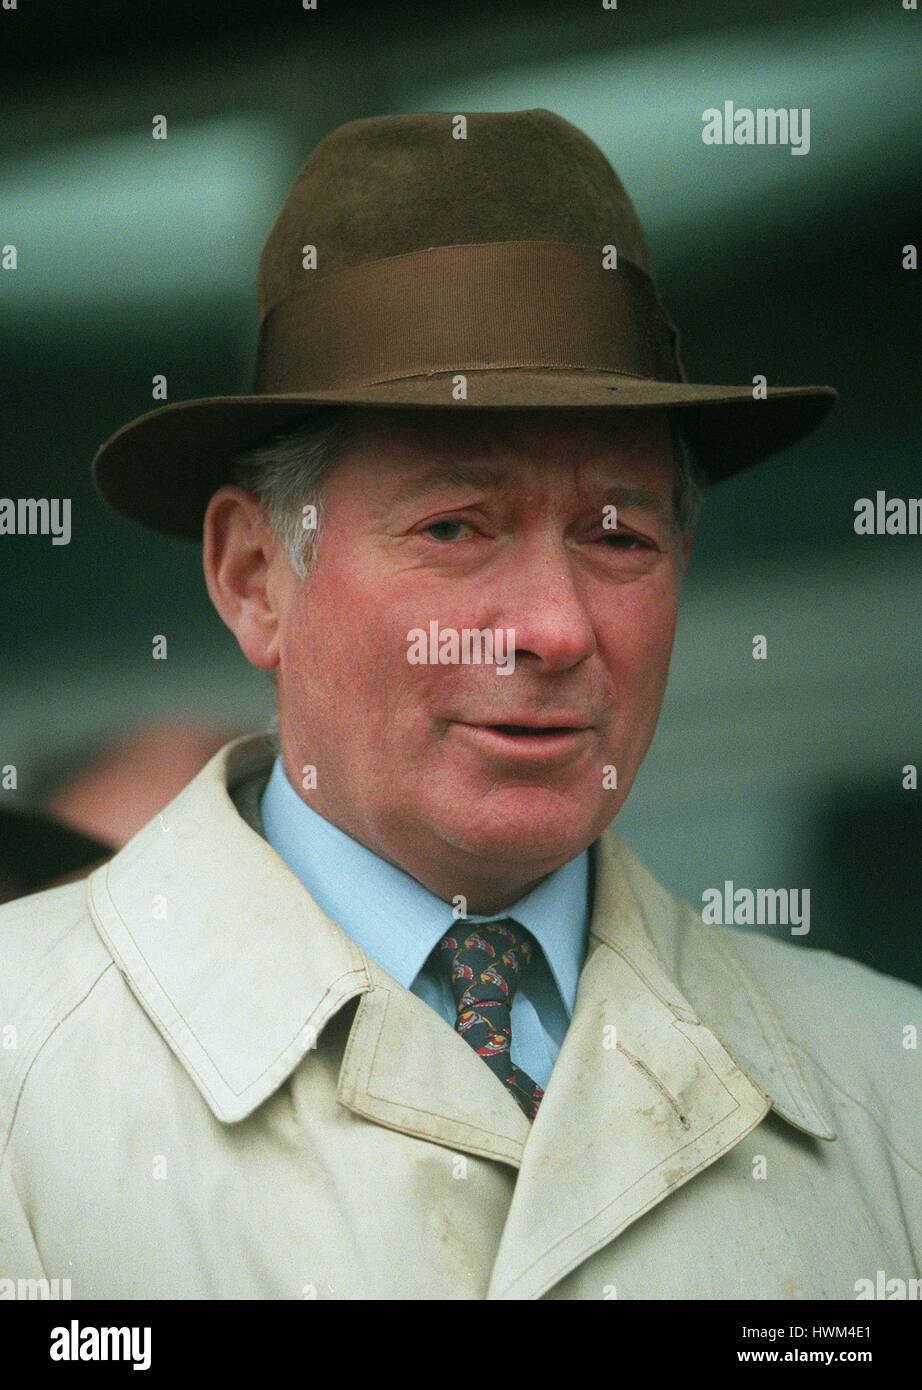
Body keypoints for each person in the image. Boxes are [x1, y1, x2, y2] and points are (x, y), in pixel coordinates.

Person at [1, 110, 918, 1301]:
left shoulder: (885, 1092)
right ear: (252, 575)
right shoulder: (25, 1066)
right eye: (453, 527)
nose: (552, 626)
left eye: (616, 532)